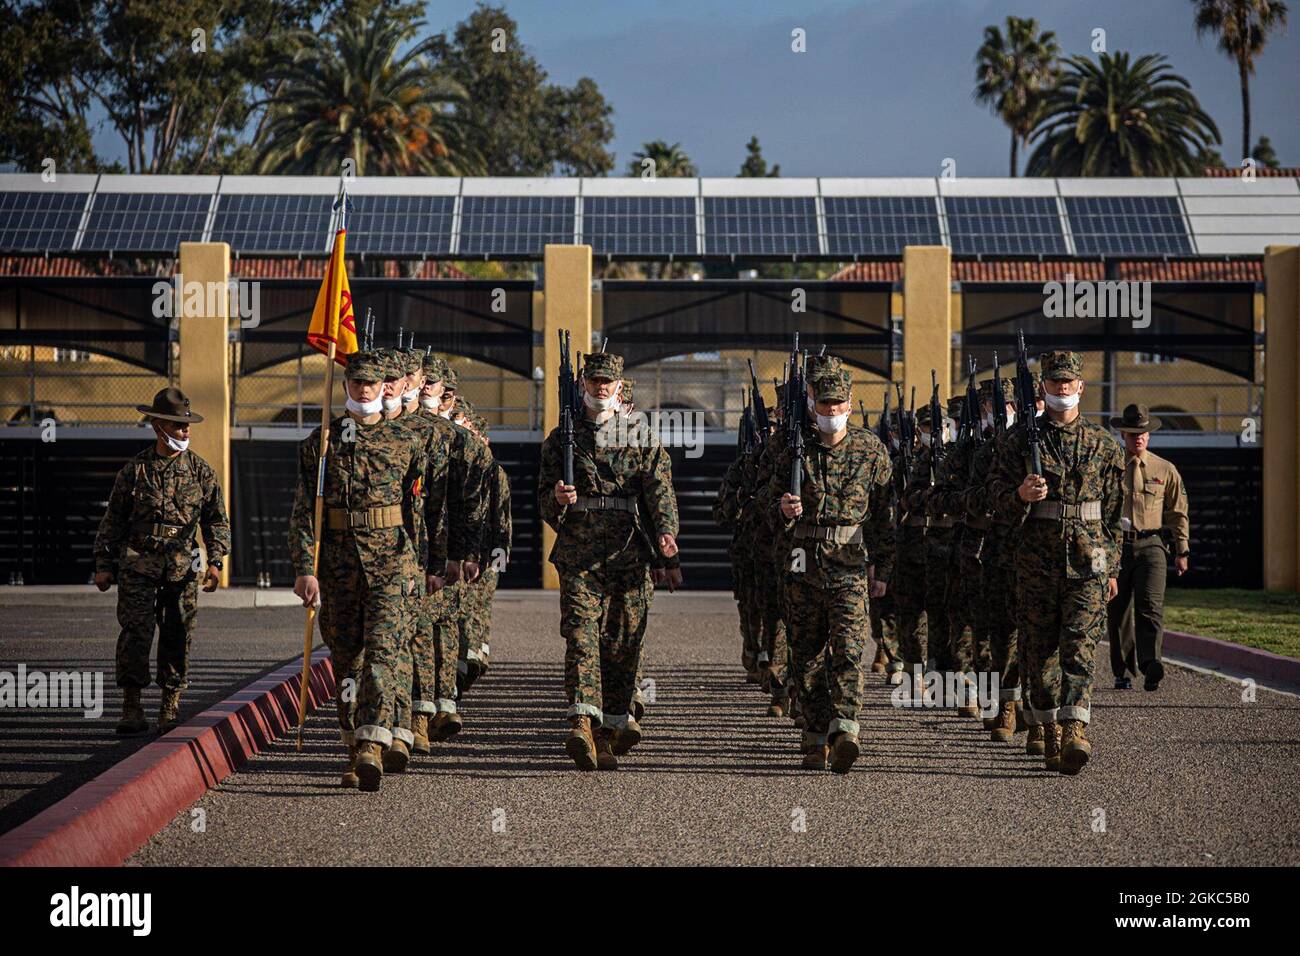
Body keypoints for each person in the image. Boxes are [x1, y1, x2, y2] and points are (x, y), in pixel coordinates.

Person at [288, 349, 430, 792]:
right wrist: (304, 569)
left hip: (390, 562)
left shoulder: (405, 440)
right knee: (347, 658)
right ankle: (353, 747)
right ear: (346, 385)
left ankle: (372, 742)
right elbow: (301, 513)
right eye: (356, 383)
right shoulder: (322, 443)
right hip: (338, 564)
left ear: (381, 386)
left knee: (382, 656)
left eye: (371, 384)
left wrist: (421, 565)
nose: (364, 390)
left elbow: (416, 507)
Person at [539, 351, 679, 771]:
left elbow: (658, 488)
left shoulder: (638, 434)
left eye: (608, 382)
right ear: (583, 384)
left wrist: (666, 533)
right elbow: (545, 500)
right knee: (581, 636)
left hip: (627, 554)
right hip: (579, 554)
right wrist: (558, 501)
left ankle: (609, 728)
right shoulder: (562, 436)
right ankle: (582, 721)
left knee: (619, 646)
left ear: (619, 387)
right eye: (594, 381)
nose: (601, 388)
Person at [988, 351, 1124, 775]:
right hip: (1036, 563)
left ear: (1081, 387)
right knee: (1039, 653)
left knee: (1079, 650)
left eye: (1069, 383)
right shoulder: (1017, 442)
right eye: (1054, 383)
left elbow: (1114, 513)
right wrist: (1018, 496)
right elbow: (992, 495)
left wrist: (1112, 567)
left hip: (1089, 563)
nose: (1062, 389)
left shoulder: (1103, 444)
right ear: (1043, 388)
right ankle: (1046, 727)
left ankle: (1074, 729)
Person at [770, 368, 894, 774]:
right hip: (802, 564)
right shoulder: (792, 448)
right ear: (811, 403)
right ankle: (815, 736)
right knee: (805, 655)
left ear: (851, 403)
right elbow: (758, 509)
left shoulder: (870, 450)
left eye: (839, 404)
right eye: (825, 404)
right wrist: (782, 511)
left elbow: (883, 517)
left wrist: (883, 568)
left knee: (848, 647)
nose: (833, 410)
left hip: (849, 566)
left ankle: (845, 728)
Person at [94, 387, 230, 736]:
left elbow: (215, 520)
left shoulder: (201, 471)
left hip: (182, 566)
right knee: (136, 632)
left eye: (187, 425)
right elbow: (114, 518)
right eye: (177, 425)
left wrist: (215, 562)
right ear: (158, 426)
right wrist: (103, 563)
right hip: (139, 563)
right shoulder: (135, 471)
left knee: (178, 632)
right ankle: (132, 705)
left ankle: (170, 704)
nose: (185, 431)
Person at [1106, 404, 1189, 692]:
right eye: (1132, 433)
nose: (1137, 438)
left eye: (1142, 433)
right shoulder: (1109, 465)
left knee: (1150, 606)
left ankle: (1151, 663)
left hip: (1152, 544)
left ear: (1149, 435)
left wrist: (1182, 550)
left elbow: (1178, 511)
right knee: (1118, 612)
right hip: (1117, 545)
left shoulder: (1165, 469)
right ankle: (1123, 671)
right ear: (1123, 434)